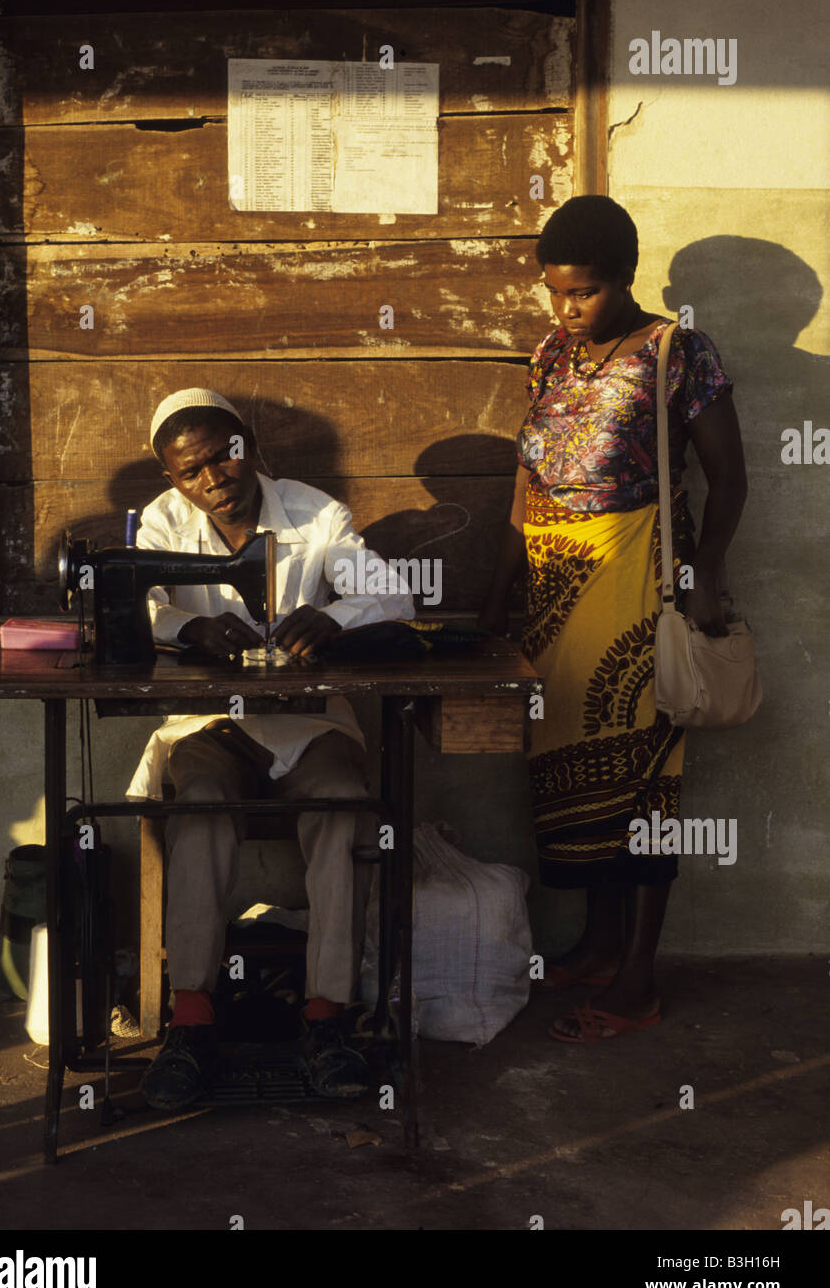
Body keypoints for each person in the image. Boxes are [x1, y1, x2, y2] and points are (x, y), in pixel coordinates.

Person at [478, 196, 747, 1042]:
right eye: (555, 293)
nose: (567, 309)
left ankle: (635, 980)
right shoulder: (550, 354)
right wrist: (500, 590)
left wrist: (704, 575)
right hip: (553, 592)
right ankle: (595, 948)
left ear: (624, 280)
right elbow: (528, 480)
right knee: (573, 771)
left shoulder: (676, 351)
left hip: (637, 584)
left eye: (584, 293)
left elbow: (727, 479)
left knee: (640, 779)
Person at [127, 388, 414, 1105]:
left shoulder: (314, 512)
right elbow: (140, 604)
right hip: (209, 721)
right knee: (196, 806)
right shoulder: (160, 525)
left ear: (245, 447)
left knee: (346, 805)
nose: (212, 479)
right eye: (190, 471)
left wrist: (333, 617)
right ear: (172, 479)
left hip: (309, 717)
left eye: (222, 456)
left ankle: (327, 1019)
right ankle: (190, 1021)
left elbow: (394, 597)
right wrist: (185, 630)